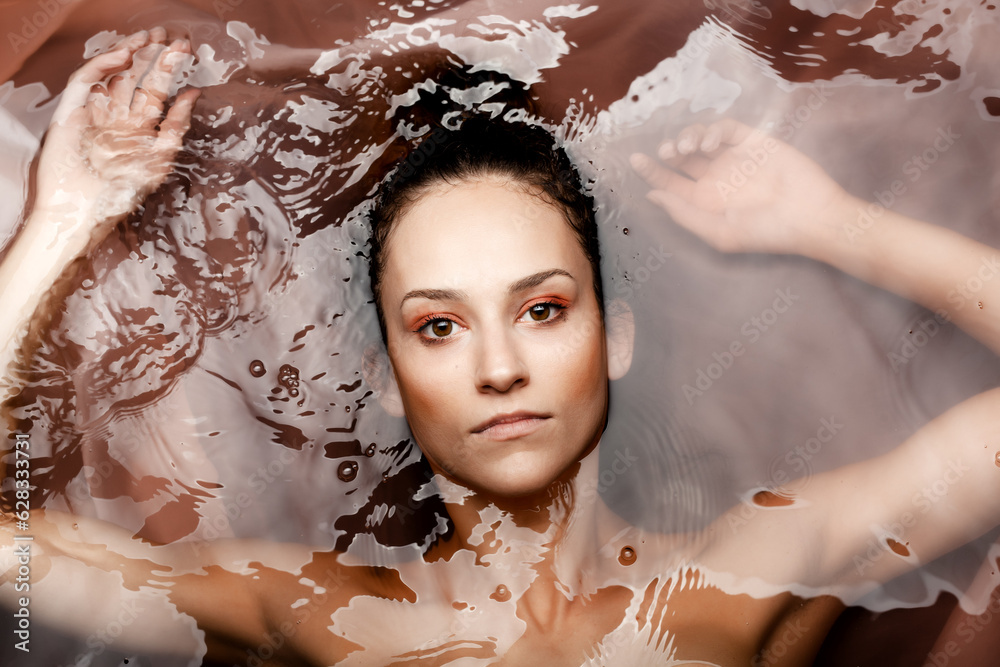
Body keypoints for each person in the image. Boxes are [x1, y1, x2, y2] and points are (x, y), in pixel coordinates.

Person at [3, 29, 1000, 667]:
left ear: (615, 339)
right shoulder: (316, 613)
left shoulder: (756, 564)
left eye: (543, 308)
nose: (499, 367)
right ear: (387, 379)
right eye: (438, 325)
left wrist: (832, 225)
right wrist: (67, 213)